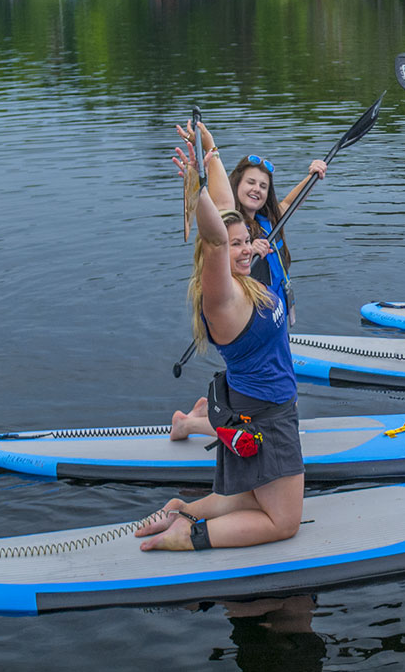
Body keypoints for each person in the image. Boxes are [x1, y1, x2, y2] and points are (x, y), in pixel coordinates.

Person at [137, 146, 305, 551]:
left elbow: (226, 206)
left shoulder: (245, 282)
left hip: (266, 404)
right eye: (236, 245)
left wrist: (210, 153)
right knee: (284, 522)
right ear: (215, 255)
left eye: (248, 240)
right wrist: (196, 191)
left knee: (255, 497)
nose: (247, 249)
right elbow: (214, 236)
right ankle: (189, 536)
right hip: (265, 414)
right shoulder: (222, 299)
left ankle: (183, 510)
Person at [178, 120, 328, 313]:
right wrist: (249, 249)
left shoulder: (269, 221)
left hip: (276, 311)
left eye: (263, 186)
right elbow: (220, 227)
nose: (257, 189)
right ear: (237, 184)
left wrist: (313, 175)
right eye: (251, 182)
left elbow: (289, 203)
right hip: (247, 313)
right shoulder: (226, 226)